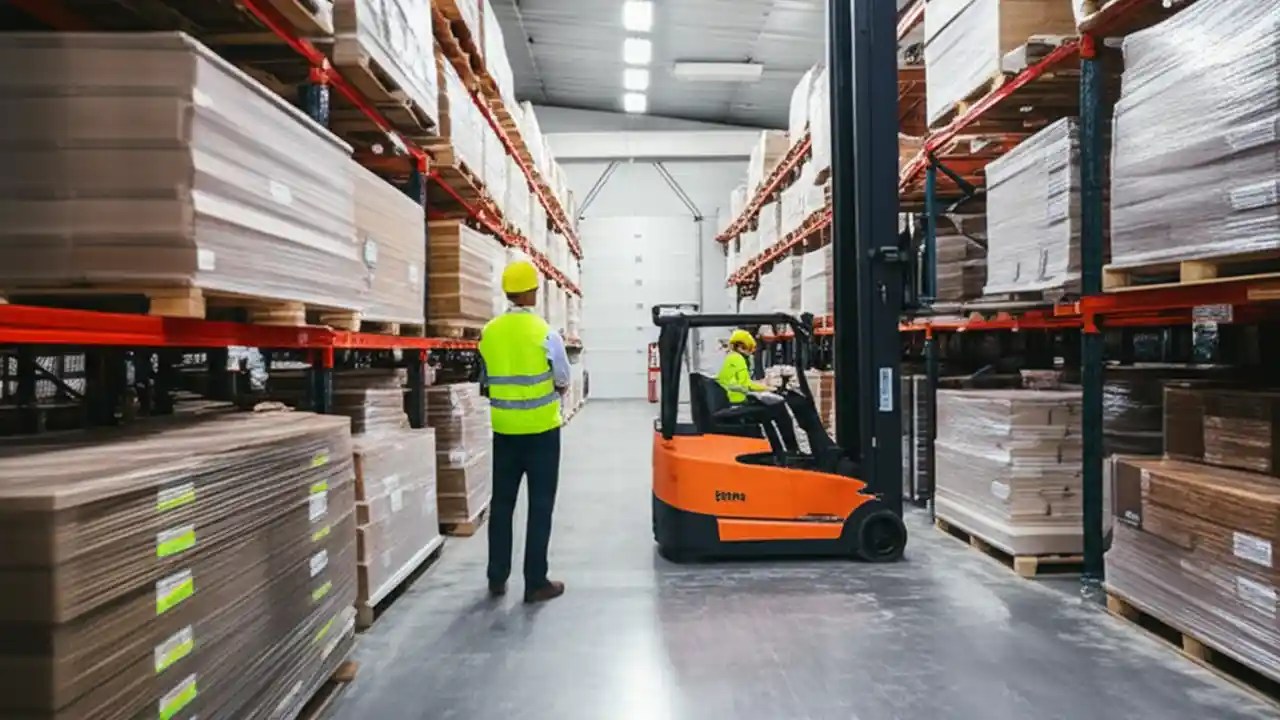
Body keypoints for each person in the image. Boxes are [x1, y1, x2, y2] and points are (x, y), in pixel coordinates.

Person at [477, 261, 570, 604]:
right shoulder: (546, 333)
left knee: (502, 504)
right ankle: (535, 582)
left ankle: (497, 576)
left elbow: (485, 381)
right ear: (533, 291)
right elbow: (562, 377)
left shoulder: (489, 333)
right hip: (542, 431)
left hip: (504, 432)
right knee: (540, 505)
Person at [716, 329, 798, 449]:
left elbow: (742, 382)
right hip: (737, 402)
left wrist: (761, 386)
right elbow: (745, 384)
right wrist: (769, 388)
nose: (751, 351)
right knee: (779, 409)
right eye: (748, 347)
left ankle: (780, 450)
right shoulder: (738, 359)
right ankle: (792, 449)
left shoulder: (731, 357)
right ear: (740, 346)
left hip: (732, 400)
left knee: (772, 409)